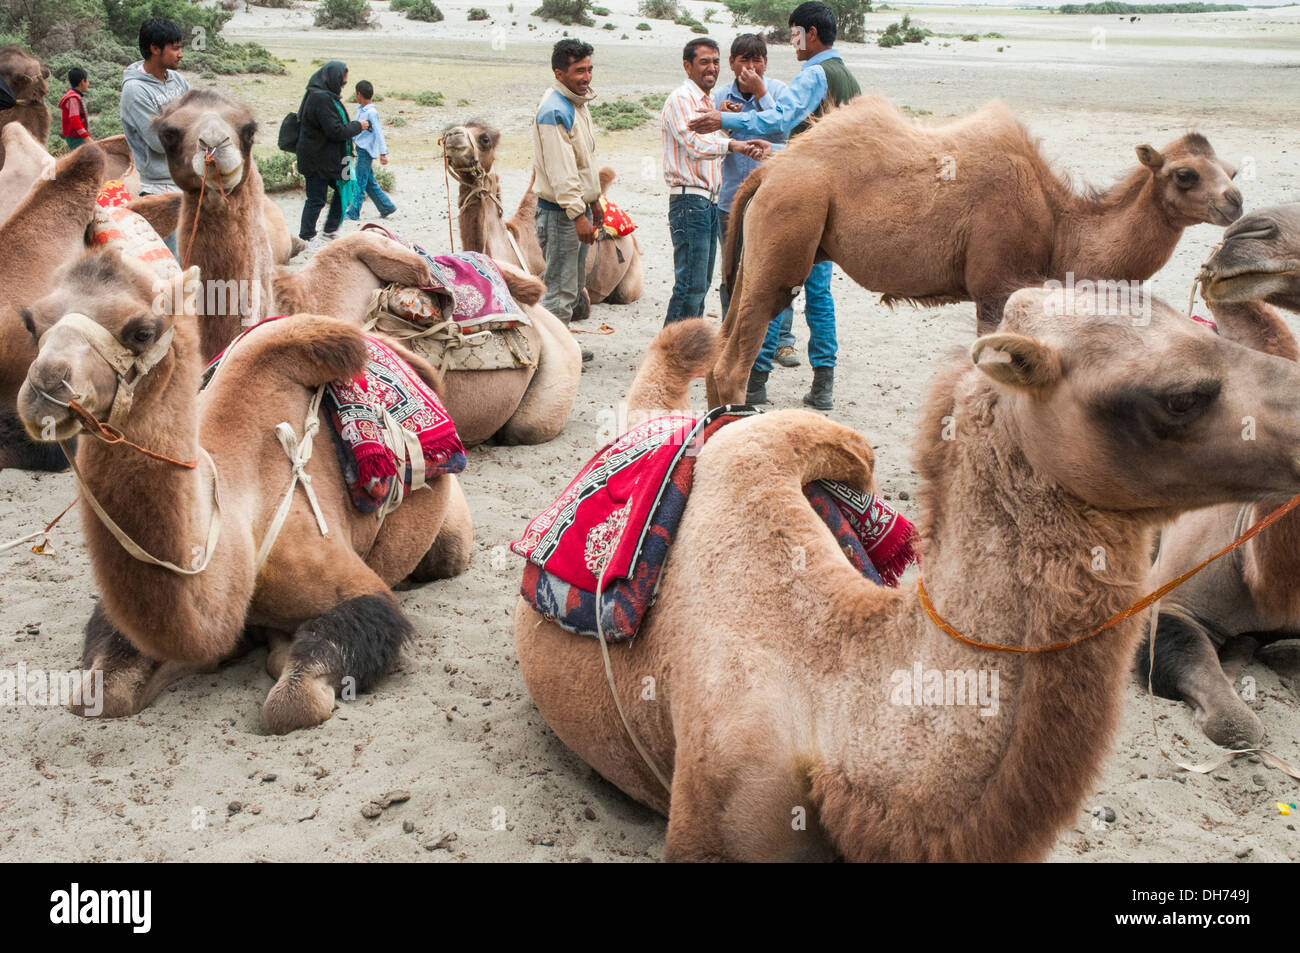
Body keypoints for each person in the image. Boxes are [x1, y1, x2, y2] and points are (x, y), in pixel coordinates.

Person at [689, 1, 861, 411]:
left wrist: (724, 121)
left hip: (807, 199)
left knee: (764, 287)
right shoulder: (846, 77)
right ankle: (823, 384)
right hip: (834, 193)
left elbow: (781, 118)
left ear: (811, 34)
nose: (792, 41)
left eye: (795, 33)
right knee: (818, 294)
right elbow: (815, 141)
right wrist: (778, 148)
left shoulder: (816, 73)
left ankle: (758, 380)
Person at [661, 37, 765, 327]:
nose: (712, 68)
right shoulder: (682, 99)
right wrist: (734, 146)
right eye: (704, 61)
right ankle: (669, 355)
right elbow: (694, 144)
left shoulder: (705, 101)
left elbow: (711, 140)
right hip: (689, 201)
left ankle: (684, 351)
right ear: (687, 65)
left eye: (716, 62)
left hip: (705, 202)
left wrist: (729, 128)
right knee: (690, 284)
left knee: (699, 284)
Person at [714, 34, 797, 368]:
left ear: (766, 63)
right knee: (732, 272)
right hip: (731, 202)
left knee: (780, 274)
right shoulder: (720, 97)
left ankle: (782, 342)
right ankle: (728, 335)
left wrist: (762, 95)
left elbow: (785, 133)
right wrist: (720, 119)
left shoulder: (779, 93)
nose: (750, 68)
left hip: (773, 203)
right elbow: (703, 142)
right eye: (743, 60)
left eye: (757, 60)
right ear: (732, 63)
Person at [531, 39, 600, 363]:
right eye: (578, 71)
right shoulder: (554, 111)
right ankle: (552, 360)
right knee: (558, 291)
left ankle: (562, 349)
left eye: (588, 69)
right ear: (559, 73)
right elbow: (562, 172)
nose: (586, 77)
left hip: (574, 210)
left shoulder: (576, 104)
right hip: (561, 215)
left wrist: (595, 201)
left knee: (570, 288)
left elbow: (584, 161)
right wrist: (578, 214)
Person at [120, 18, 190, 256]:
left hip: (187, 180)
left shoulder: (177, 80)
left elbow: (199, 112)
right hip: (161, 188)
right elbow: (159, 143)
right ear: (155, 49)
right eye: (175, 48)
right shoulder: (135, 90)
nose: (181, 54)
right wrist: (192, 131)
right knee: (175, 262)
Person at [295, 61, 368, 251]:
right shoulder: (320, 98)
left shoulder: (328, 97)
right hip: (318, 160)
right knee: (316, 199)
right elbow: (335, 131)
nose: (343, 87)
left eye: (344, 84)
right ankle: (306, 237)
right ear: (331, 80)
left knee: (348, 188)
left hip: (338, 159)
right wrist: (359, 126)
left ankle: (330, 229)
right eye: (342, 83)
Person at [345, 79, 396, 222]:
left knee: (360, 182)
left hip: (366, 151)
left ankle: (354, 212)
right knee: (368, 182)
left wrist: (383, 152)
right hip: (362, 148)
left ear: (358, 94)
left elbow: (379, 133)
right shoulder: (362, 111)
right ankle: (386, 207)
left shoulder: (371, 113)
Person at [59, 68, 92, 151]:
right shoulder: (73, 98)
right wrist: (86, 137)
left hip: (77, 135)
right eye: (87, 81)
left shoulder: (74, 95)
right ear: (82, 82)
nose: (88, 83)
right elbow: (75, 120)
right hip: (76, 136)